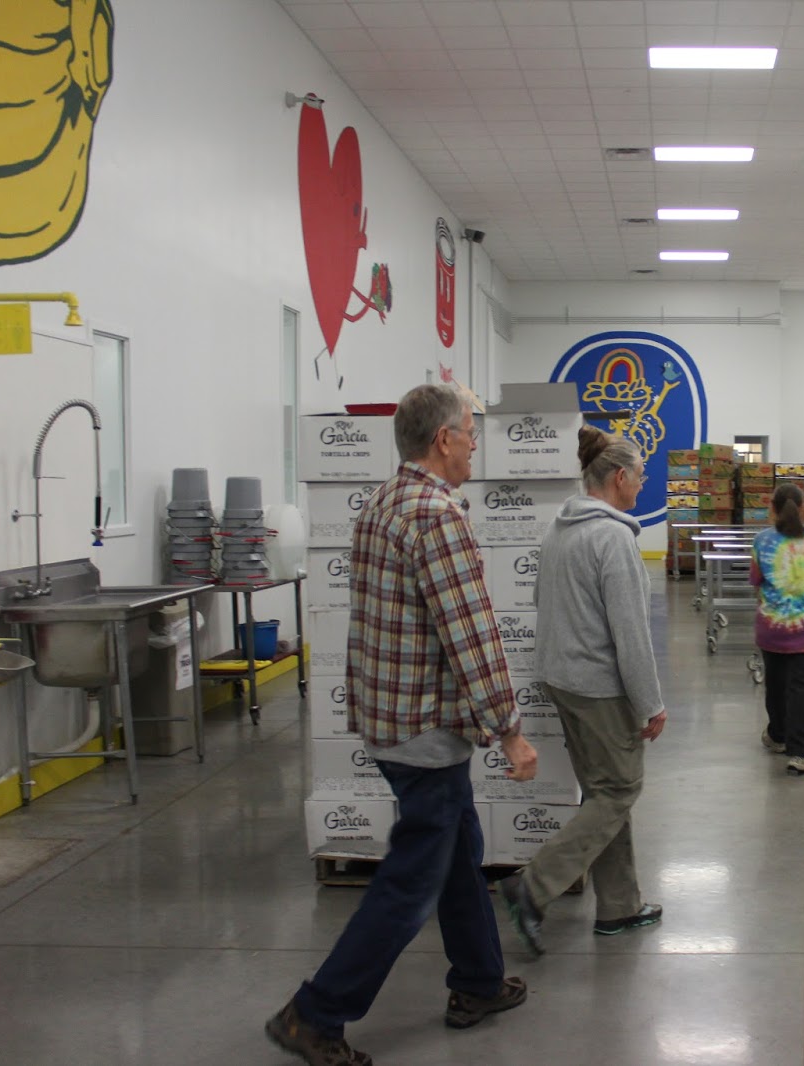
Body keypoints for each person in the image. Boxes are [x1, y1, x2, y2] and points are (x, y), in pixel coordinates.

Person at [267, 384, 539, 1066]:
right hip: (424, 730)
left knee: (457, 849)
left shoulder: (385, 501)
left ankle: (477, 980)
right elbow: (471, 636)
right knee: (412, 880)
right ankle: (315, 1012)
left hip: (389, 719)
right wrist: (509, 729)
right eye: (471, 431)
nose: (476, 442)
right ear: (443, 439)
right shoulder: (436, 515)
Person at [498, 425, 667, 955]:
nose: (642, 485)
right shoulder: (613, 537)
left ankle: (619, 907)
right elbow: (631, 635)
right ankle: (533, 886)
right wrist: (651, 704)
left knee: (603, 792)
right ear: (619, 477)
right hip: (598, 686)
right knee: (619, 790)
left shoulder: (559, 529)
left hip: (561, 677)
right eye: (639, 477)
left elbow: (538, 597)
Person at [751, 482, 804, 775]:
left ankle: (777, 735)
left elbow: (756, 582)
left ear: (771, 508)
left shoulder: (761, 541)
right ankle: (799, 752)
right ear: (803, 507)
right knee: (800, 688)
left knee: (775, 685)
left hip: (773, 627)